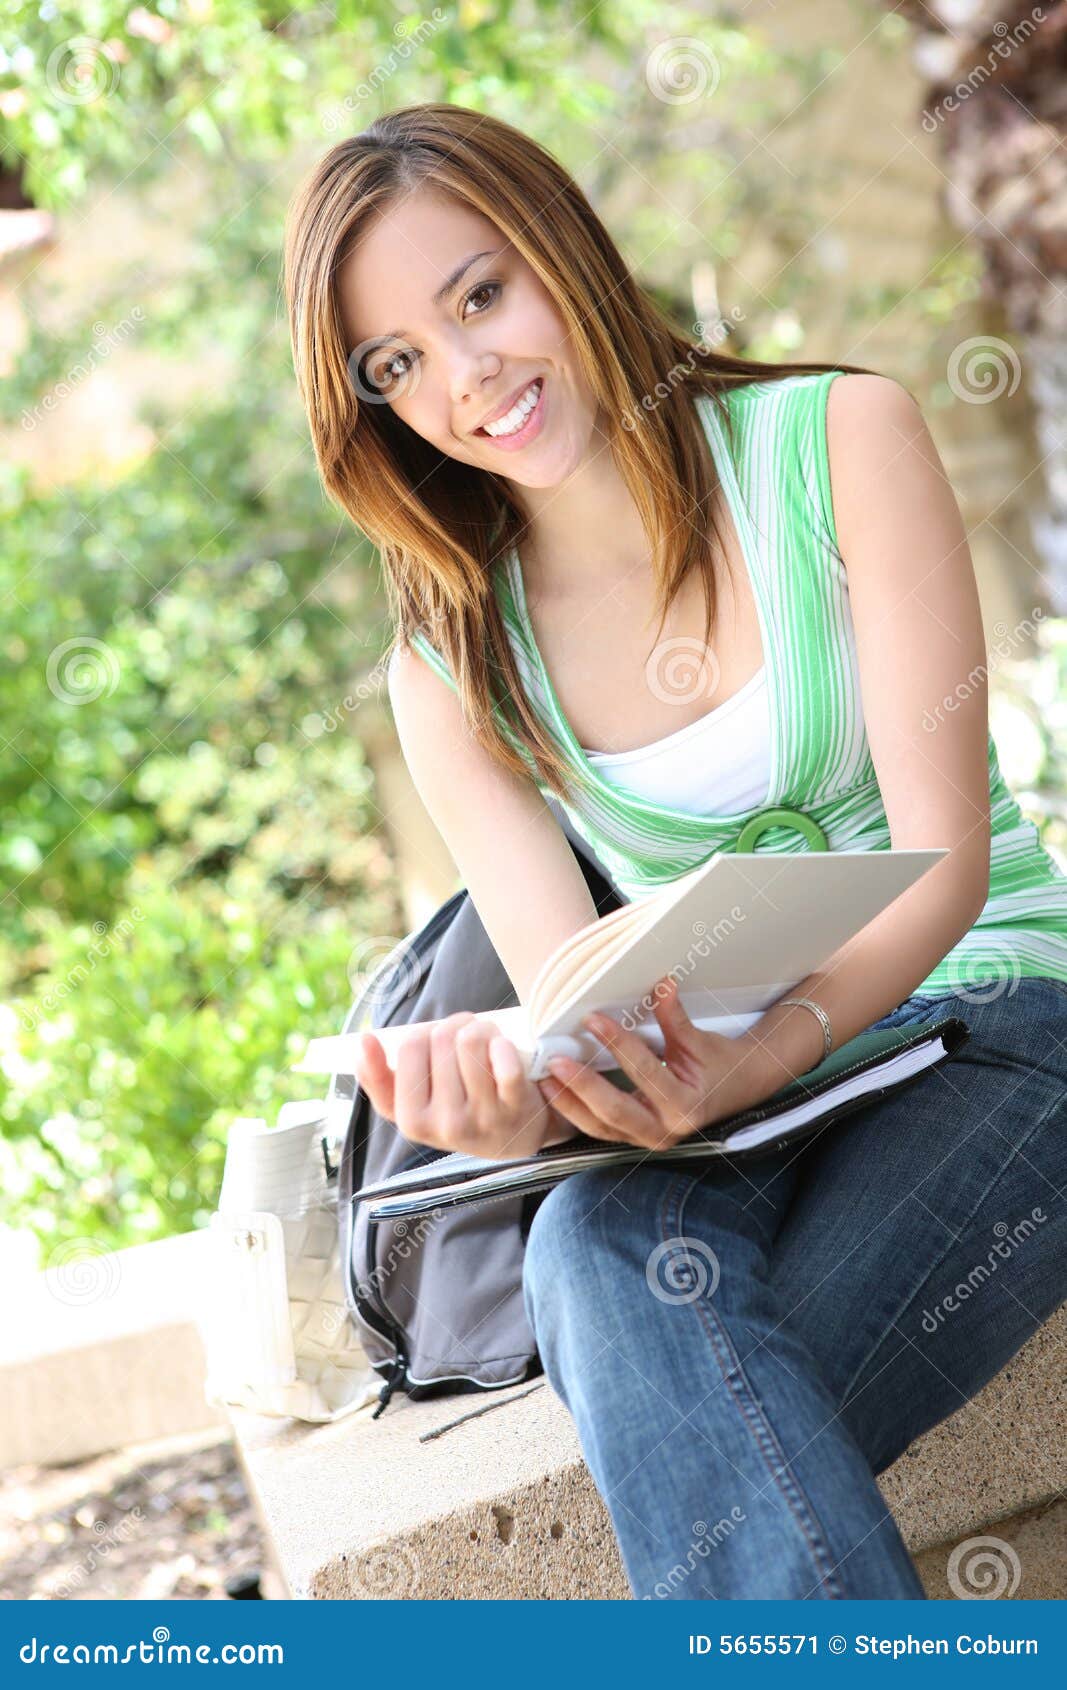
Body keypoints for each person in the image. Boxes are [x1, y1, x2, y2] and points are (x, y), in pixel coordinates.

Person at [283, 103, 1067, 1599]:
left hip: (999, 1021)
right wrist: (527, 1103)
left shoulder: (838, 440)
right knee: (587, 1237)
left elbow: (943, 863)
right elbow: (577, 996)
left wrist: (770, 1047)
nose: (467, 380)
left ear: (560, 248)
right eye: (398, 366)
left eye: (480, 296)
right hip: (732, 1102)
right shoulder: (450, 668)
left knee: (715, 1431)